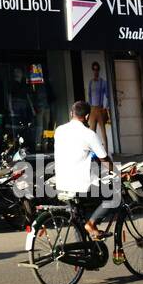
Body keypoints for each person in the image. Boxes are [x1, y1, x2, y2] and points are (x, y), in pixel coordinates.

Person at [53, 101, 114, 240]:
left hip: (62, 183)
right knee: (113, 195)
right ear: (87, 117)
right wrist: (117, 173)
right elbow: (104, 159)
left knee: (78, 217)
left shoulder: (59, 130)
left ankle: (83, 251)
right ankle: (91, 224)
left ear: (71, 114)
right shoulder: (88, 134)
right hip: (80, 185)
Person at [87, 62, 113, 152]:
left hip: (100, 108)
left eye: (97, 69)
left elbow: (108, 95)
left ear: (99, 70)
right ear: (92, 70)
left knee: (103, 132)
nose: (95, 71)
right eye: (94, 69)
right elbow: (89, 96)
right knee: (92, 132)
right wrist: (89, 108)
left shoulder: (103, 82)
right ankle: (93, 152)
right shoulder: (90, 82)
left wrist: (105, 107)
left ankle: (105, 151)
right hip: (92, 109)